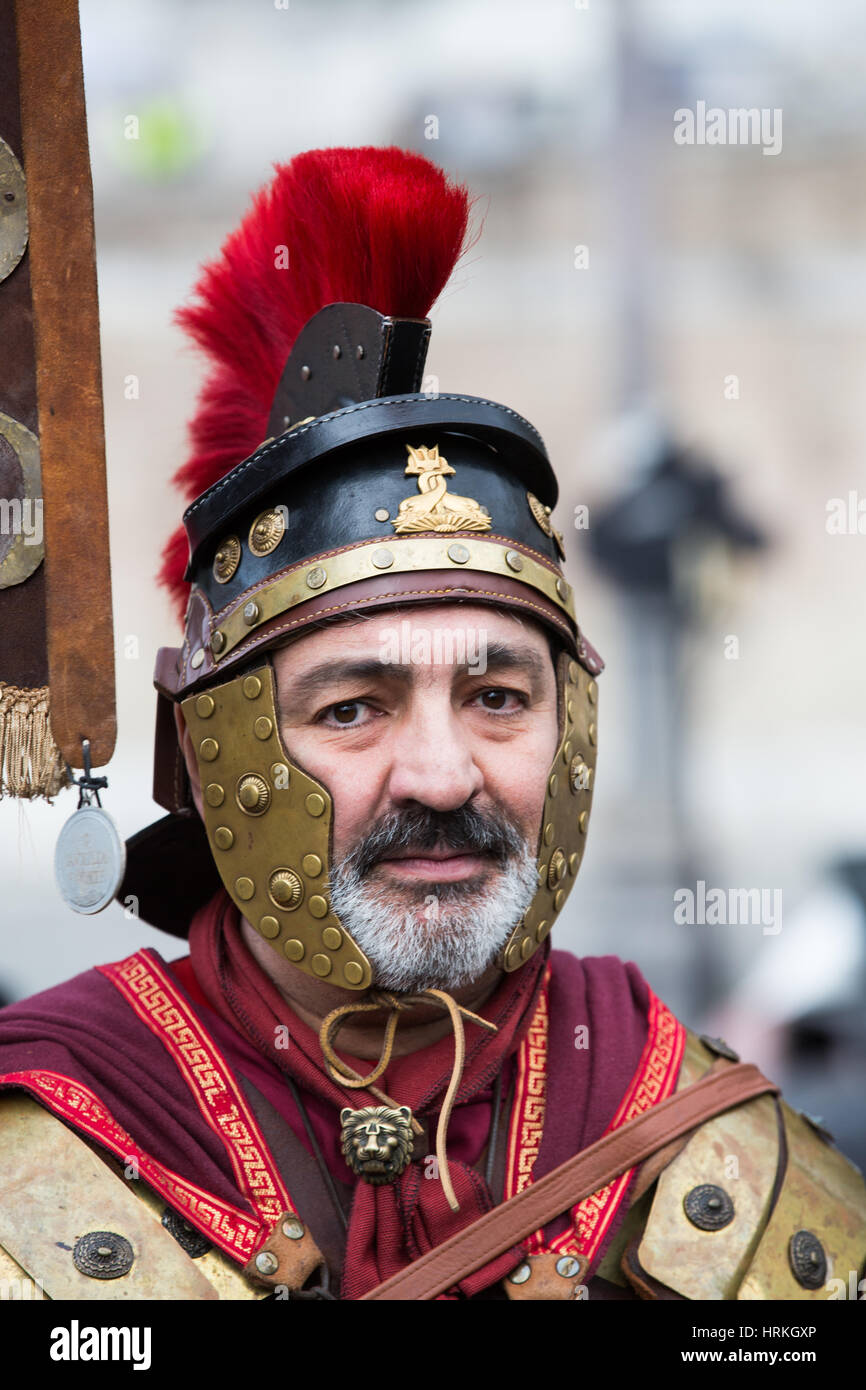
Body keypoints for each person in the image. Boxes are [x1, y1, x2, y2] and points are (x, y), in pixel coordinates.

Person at [0, 146, 863, 1303]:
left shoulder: (694, 1129)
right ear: (216, 753)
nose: (444, 775)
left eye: (497, 697)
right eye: (353, 707)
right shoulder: (64, 1125)